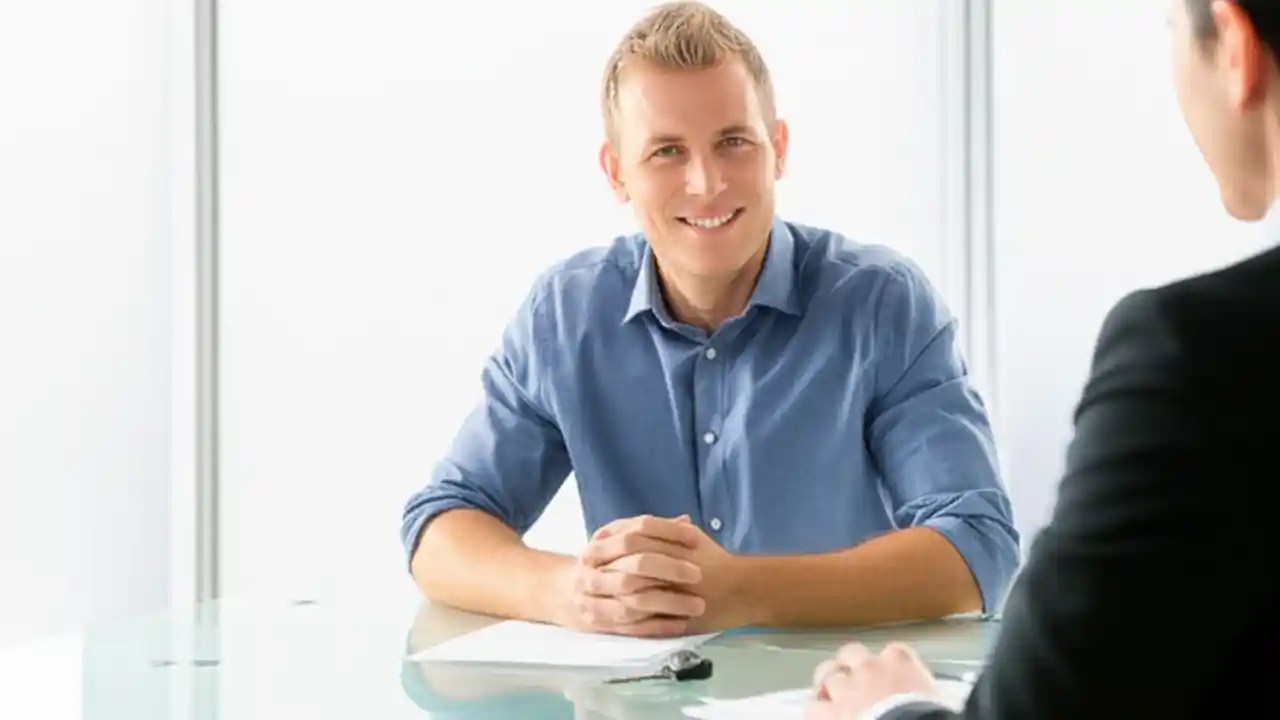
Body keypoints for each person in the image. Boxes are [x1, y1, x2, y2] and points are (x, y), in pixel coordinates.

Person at [401, 1, 1019, 638]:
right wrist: (572, 591)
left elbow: (975, 547)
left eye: (733, 142)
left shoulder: (883, 304)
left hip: (838, 694)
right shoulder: (565, 314)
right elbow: (441, 528)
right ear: (617, 173)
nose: (706, 183)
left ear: (777, 148)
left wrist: (741, 592)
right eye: (667, 151)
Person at [807, 0, 1280, 717]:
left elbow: (983, 567)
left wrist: (890, 709)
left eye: (1173, 34)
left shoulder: (1199, 360)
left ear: (1237, 46)